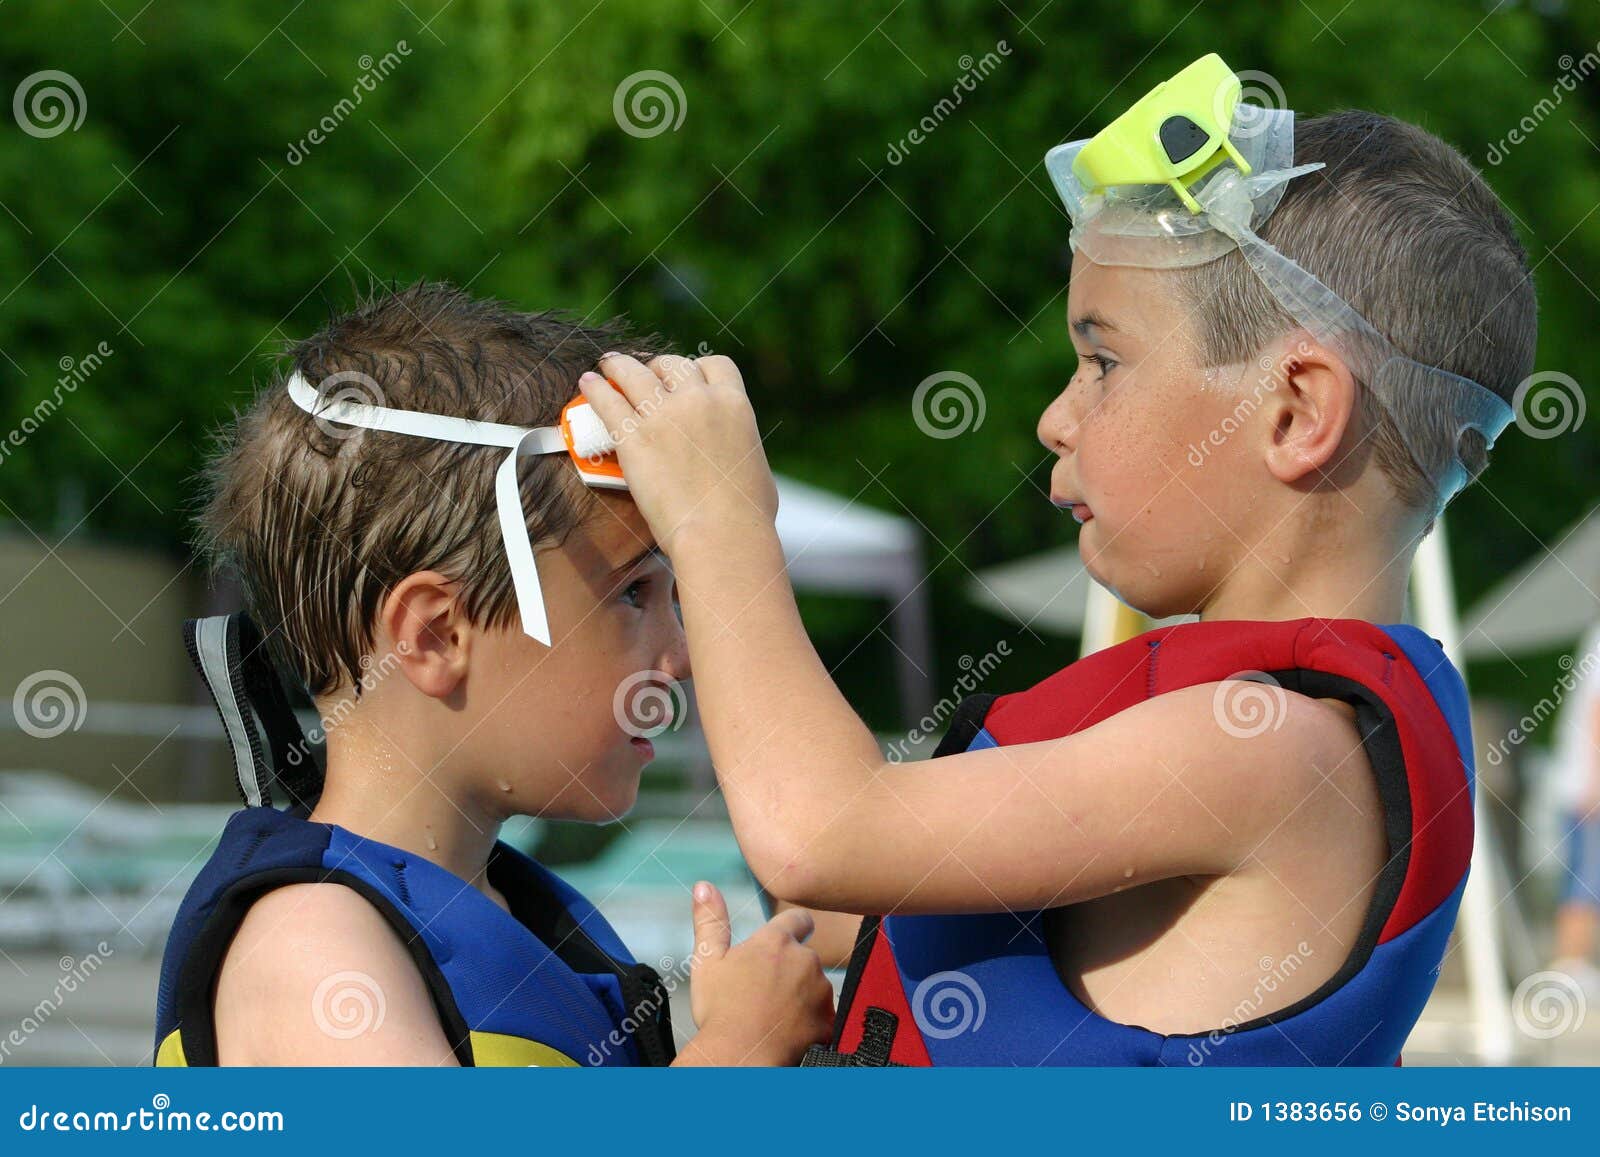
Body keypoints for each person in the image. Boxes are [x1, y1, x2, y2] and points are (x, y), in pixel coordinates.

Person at [577, 54, 1538, 1065]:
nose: (1053, 417)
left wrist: (718, 520)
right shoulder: (1232, 736)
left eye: (1103, 361)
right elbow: (844, 884)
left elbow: (818, 833)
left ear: (1295, 411)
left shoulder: (1267, 749)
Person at [153, 284, 834, 1067]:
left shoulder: (514, 921)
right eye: (633, 593)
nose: (679, 655)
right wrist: (740, 1054)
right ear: (436, 634)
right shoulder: (312, 947)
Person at [1550, 621, 1600, 996]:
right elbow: (1596, 712)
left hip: (1580, 781)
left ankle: (1574, 965)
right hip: (1587, 785)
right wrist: (1595, 782)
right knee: (1587, 877)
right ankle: (1570, 966)